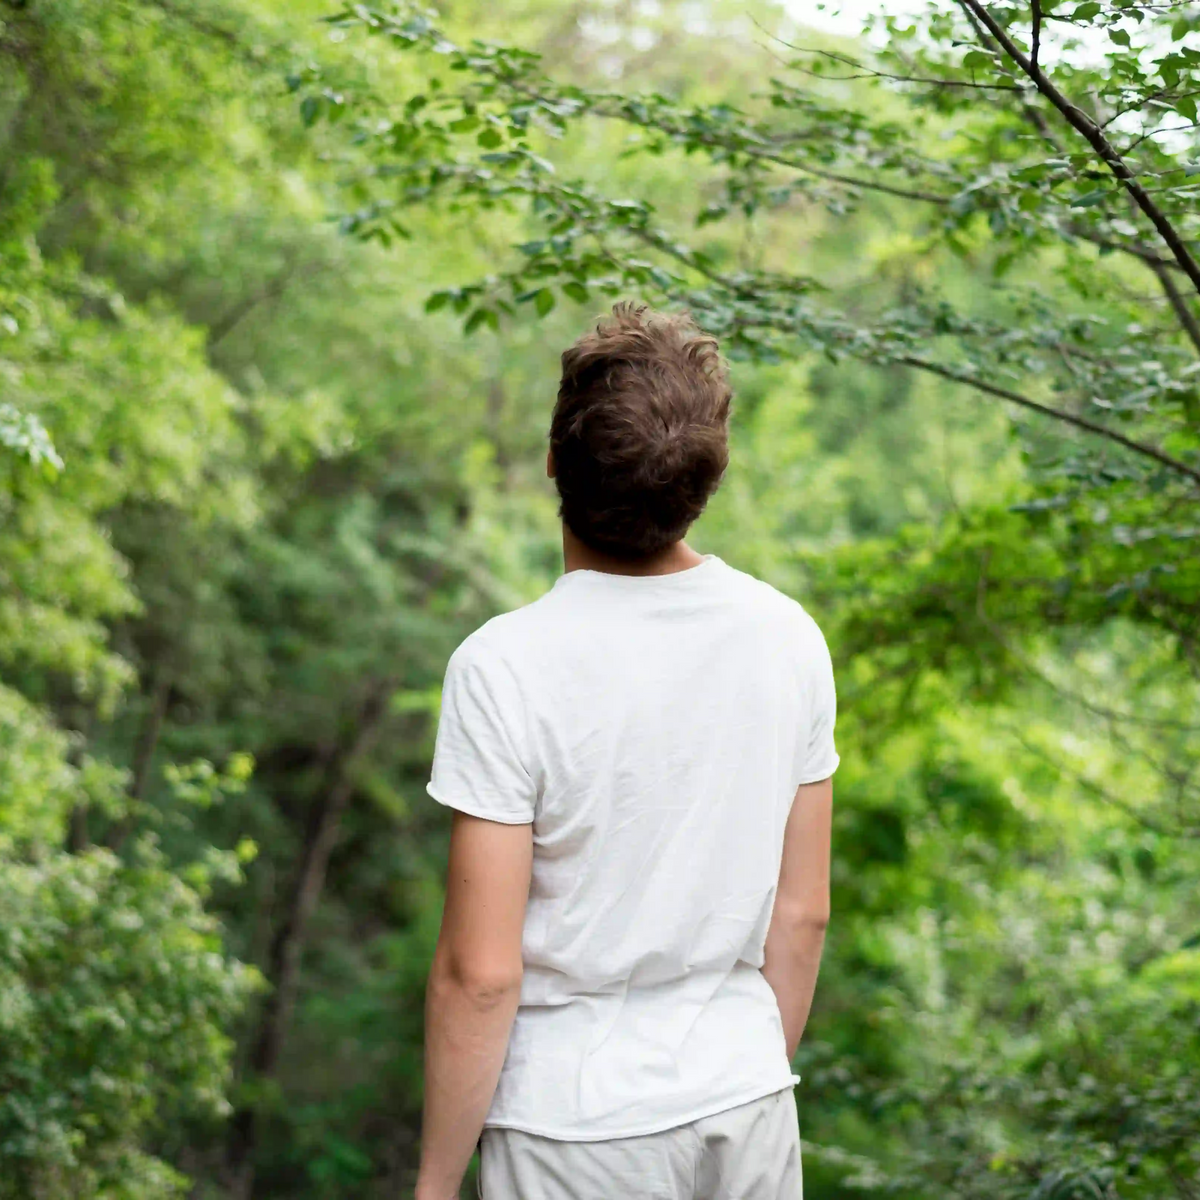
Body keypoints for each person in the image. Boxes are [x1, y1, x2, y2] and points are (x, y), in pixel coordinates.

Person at [415, 302, 837, 1200]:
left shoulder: (504, 666)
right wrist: (735, 1063)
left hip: (570, 1127)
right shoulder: (788, 639)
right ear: (706, 478)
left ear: (553, 464)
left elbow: (480, 974)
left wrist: (435, 1183)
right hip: (746, 1099)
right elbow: (801, 918)